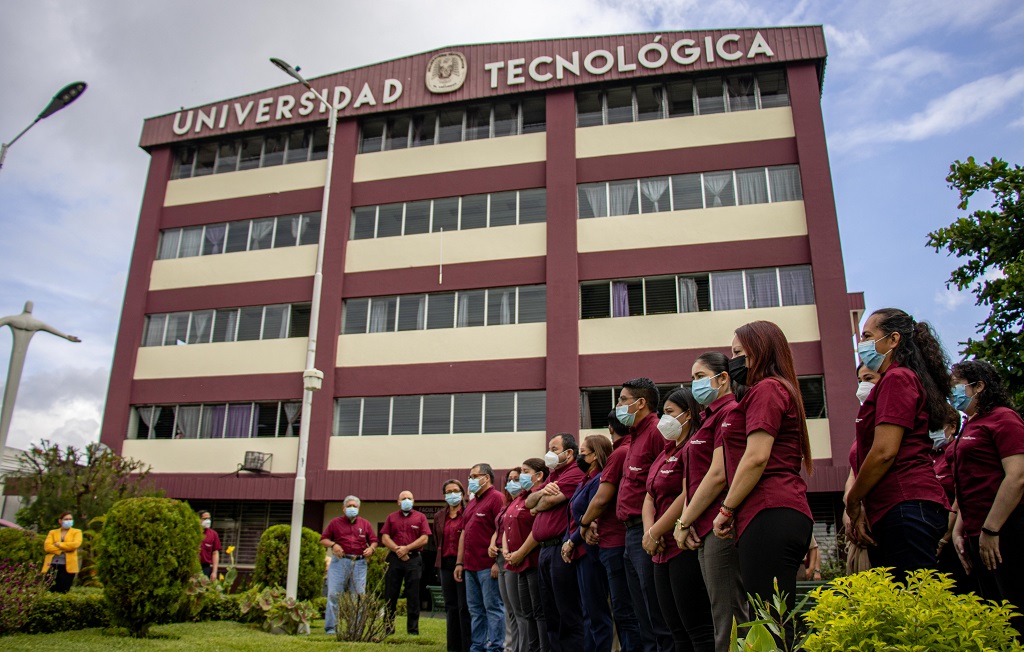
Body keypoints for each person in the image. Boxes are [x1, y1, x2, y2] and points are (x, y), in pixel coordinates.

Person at [713, 321, 814, 647]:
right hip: (777, 510)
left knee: (770, 620)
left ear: (760, 350)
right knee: (775, 615)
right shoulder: (779, 388)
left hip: (768, 509)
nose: (733, 361)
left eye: (739, 353)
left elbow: (756, 457)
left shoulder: (767, 389)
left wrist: (726, 508)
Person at [845, 308, 951, 581]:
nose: (862, 344)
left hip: (907, 504)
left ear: (893, 340)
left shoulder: (897, 378)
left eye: (868, 336)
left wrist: (854, 500)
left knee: (917, 606)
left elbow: (883, 452)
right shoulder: (895, 380)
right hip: (897, 507)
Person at [672, 352, 746, 652]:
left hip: (721, 527)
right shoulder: (706, 420)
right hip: (702, 529)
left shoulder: (730, 412)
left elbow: (718, 475)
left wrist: (683, 520)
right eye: (693, 378)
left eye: (700, 376)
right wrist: (689, 522)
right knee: (718, 616)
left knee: (730, 618)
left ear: (723, 378)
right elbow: (693, 478)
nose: (694, 384)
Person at [950, 359, 1024, 634]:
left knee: (1014, 609)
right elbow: (965, 486)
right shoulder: (969, 425)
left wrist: (991, 528)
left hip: (1004, 531)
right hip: (975, 535)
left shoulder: (1004, 418)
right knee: (991, 616)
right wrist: (960, 529)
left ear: (979, 386)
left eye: (956, 385)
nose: (951, 391)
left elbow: (1017, 476)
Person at [642, 387, 714, 652]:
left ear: (688, 414)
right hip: (659, 549)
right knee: (675, 631)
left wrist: (655, 532)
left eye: (670, 413)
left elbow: (687, 493)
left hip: (682, 545)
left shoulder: (692, 448)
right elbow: (649, 496)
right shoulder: (664, 453)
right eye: (663, 413)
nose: (664, 419)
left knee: (698, 628)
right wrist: (649, 533)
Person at [616, 378, 674, 652]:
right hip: (631, 534)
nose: (618, 406)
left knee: (657, 614)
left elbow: (667, 484)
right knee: (642, 615)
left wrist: (656, 530)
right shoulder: (634, 437)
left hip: (648, 532)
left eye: (622, 400)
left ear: (640, 403)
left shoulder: (657, 431)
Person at [578, 411, 641, 652]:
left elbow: (602, 499)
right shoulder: (626, 450)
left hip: (615, 541)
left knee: (624, 611)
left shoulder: (620, 453)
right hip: (609, 541)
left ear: (611, 429)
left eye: (585, 453)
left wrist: (585, 524)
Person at [527, 433, 585, 651]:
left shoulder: (574, 472)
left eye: (554, 449)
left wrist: (538, 501)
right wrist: (541, 492)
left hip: (560, 548)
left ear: (569, 453)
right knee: (550, 612)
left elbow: (546, 503)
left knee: (567, 610)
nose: (549, 454)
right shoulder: (553, 476)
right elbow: (529, 502)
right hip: (544, 552)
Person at [563, 435, 615, 652]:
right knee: (587, 611)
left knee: (597, 612)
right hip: (578, 551)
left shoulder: (599, 480)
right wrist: (568, 541)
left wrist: (572, 542)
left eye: (583, 452)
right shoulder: (584, 481)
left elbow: (591, 517)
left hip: (590, 551)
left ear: (595, 455)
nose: (579, 456)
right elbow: (574, 516)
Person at [455, 463, 505, 652]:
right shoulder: (472, 503)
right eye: (470, 476)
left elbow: (501, 530)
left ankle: (496, 647)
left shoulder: (497, 499)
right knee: (475, 610)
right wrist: (460, 562)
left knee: (493, 608)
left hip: (487, 566)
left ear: (487, 477)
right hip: (470, 566)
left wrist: (496, 562)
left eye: (474, 476)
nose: (471, 480)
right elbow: (464, 533)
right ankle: (477, 646)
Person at [504, 458, 550, 652]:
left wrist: (521, 552)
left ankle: (542, 648)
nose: (521, 476)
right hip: (517, 563)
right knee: (526, 611)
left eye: (525, 471)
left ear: (538, 475)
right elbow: (507, 526)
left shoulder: (540, 496)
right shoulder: (520, 498)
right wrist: (507, 551)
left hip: (533, 560)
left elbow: (538, 529)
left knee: (539, 611)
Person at [320, 495, 378, 635]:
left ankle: (355, 629)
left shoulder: (365, 524)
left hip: (359, 563)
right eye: (349, 506)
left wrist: (371, 549)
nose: (352, 508)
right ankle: (331, 628)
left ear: (359, 508)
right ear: (344, 508)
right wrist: (333, 545)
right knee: (334, 595)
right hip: (339, 562)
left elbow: (374, 541)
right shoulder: (335, 523)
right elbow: (323, 540)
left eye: (355, 506)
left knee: (358, 597)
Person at [843, 364, 878, 575]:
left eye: (869, 378)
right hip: (857, 513)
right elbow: (853, 473)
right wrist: (851, 505)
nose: (863, 386)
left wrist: (859, 503)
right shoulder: (864, 422)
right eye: (860, 380)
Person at [381, 490, 430, 636]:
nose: (406, 500)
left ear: (413, 501)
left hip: (413, 559)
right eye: (404, 498)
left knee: (413, 595)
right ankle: (388, 628)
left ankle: (413, 630)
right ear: (398, 502)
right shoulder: (391, 517)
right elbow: (385, 537)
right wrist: (398, 551)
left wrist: (407, 549)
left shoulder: (421, 517)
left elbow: (424, 538)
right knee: (391, 594)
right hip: (395, 559)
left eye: (409, 498)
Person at [433, 479, 471, 652]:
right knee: (451, 607)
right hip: (445, 564)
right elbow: (436, 539)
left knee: (464, 606)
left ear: (462, 493)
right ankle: (453, 647)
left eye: (455, 490)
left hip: (464, 564)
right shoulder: (439, 516)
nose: (452, 494)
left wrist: (461, 562)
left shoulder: (468, 512)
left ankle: (466, 646)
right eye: (448, 491)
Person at [492, 468, 521, 652]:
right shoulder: (505, 505)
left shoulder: (524, 503)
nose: (511, 482)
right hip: (501, 557)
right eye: (509, 479)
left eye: (516, 479)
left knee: (519, 610)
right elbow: (498, 529)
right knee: (508, 608)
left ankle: (518, 647)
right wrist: (491, 545)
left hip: (515, 557)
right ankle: (509, 647)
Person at [42, 511, 81, 593]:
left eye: (70, 519)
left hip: (68, 567)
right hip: (52, 565)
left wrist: (59, 544)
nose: (68, 521)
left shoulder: (77, 532)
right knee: (49, 589)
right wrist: (63, 550)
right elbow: (47, 547)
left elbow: (75, 545)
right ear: (60, 521)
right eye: (66, 519)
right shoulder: (52, 532)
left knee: (63, 590)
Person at [198, 510, 221, 579]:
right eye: (205, 519)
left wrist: (214, 572)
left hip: (205, 567)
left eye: (209, 519)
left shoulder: (213, 534)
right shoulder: (193, 532)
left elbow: (215, 553)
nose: (208, 521)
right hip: (193, 567)